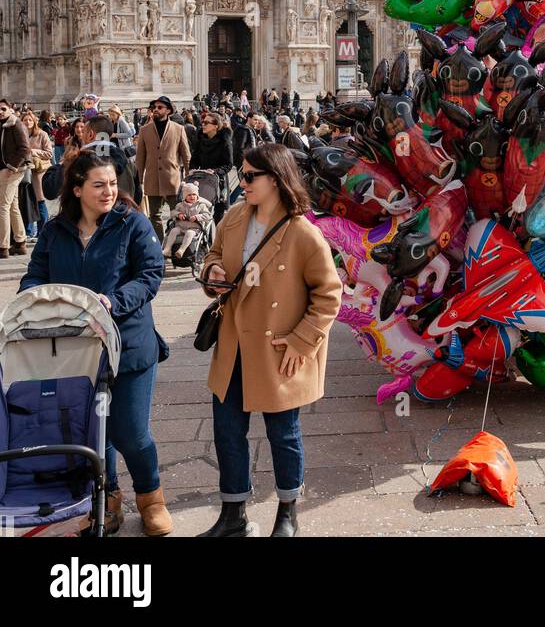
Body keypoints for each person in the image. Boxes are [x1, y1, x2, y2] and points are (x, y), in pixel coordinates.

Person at [19, 150, 171, 535]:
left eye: (113, 185)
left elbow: (152, 273)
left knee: (129, 431)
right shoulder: (56, 231)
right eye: (99, 185)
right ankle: (108, 498)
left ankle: (151, 495)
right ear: (77, 189)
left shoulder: (132, 223)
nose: (109, 192)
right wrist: (32, 300)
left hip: (129, 343)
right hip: (75, 347)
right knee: (91, 429)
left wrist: (112, 302)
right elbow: (36, 275)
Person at [198, 144, 342, 538]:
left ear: (275, 180)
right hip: (233, 345)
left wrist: (302, 341)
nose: (241, 183)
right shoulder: (233, 217)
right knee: (226, 432)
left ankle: (287, 511)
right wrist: (212, 273)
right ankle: (233, 514)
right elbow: (212, 255)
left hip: (278, 349)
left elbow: (329, 294)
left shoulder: (302, 232)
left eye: (249, 177)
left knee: (283, 434)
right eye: (241, 175)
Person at [135, 96, 191, 242]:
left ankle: (173, 244)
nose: (156, 110)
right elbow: (140, 158)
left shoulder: (178, 129)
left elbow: (186, 155)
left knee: (177, 214)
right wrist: (138, 180)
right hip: (152, 179)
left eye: (160, 107)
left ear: (168, 110)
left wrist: (189, 177)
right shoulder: (144, 130)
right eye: (154, 107)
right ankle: (158, 245)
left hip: (172, 179)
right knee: (154, 215)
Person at [0, 99, 32, 258]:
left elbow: (25, 148)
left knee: (2, 206)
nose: (0, 111)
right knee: (12, 205)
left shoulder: (16, 124)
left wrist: (12, 167)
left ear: (10, 109)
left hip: (13, 170)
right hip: (6, 169)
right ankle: (20, 242)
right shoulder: (4, 125)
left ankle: (3, 246)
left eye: (3, 108)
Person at [20, 106, 53, 237]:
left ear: (34, 122)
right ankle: (28, 232)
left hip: (38, 173)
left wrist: (33, 152)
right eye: (25, 120)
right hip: (24, 173)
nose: (27, 122)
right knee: (26, 203)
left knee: (40, 202)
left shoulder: (42, 134)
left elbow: (49, 153)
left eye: (30, 120)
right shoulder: (20, 135)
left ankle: (42, 231)